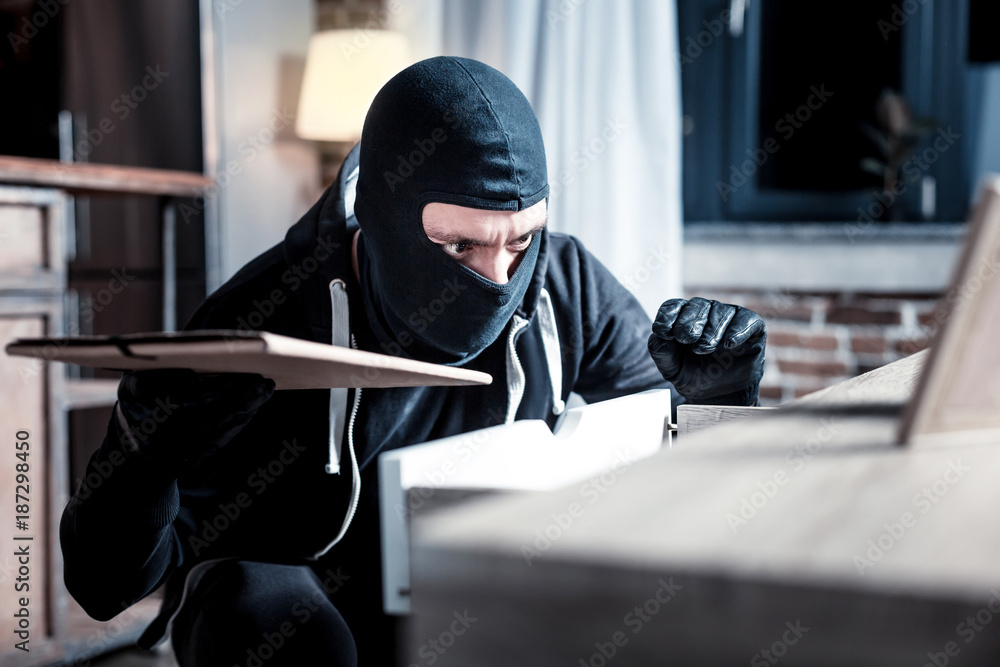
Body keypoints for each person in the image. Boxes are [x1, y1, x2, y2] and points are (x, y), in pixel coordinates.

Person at [60, 56, 766, 666]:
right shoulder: (262, 317)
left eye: (519, 241)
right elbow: (104, 586)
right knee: (275, 620)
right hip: (292, 591)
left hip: (468, 577)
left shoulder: (563, 283)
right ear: (384, 216)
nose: (496, 277)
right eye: (460, 247)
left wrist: (716, 405)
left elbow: (673, 483)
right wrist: (141, 455)